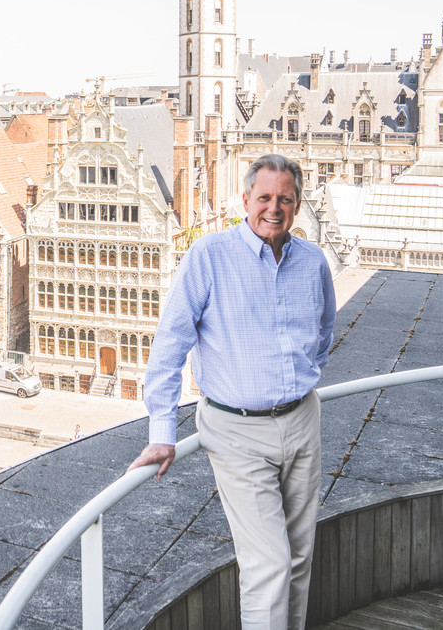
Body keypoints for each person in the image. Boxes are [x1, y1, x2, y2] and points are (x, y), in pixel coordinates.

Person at [128, 153, 335, 630]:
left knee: (300, 557)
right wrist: (162, 430)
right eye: (264, 197)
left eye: (285, 199)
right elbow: (170, 345)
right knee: (269, 565)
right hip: (236, 430)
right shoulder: (208, 255)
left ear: (298, 204)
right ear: (246, 200)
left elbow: (323, 332)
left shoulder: (313, 261)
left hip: (303, 420)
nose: (274, 208)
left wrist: (298, 380)